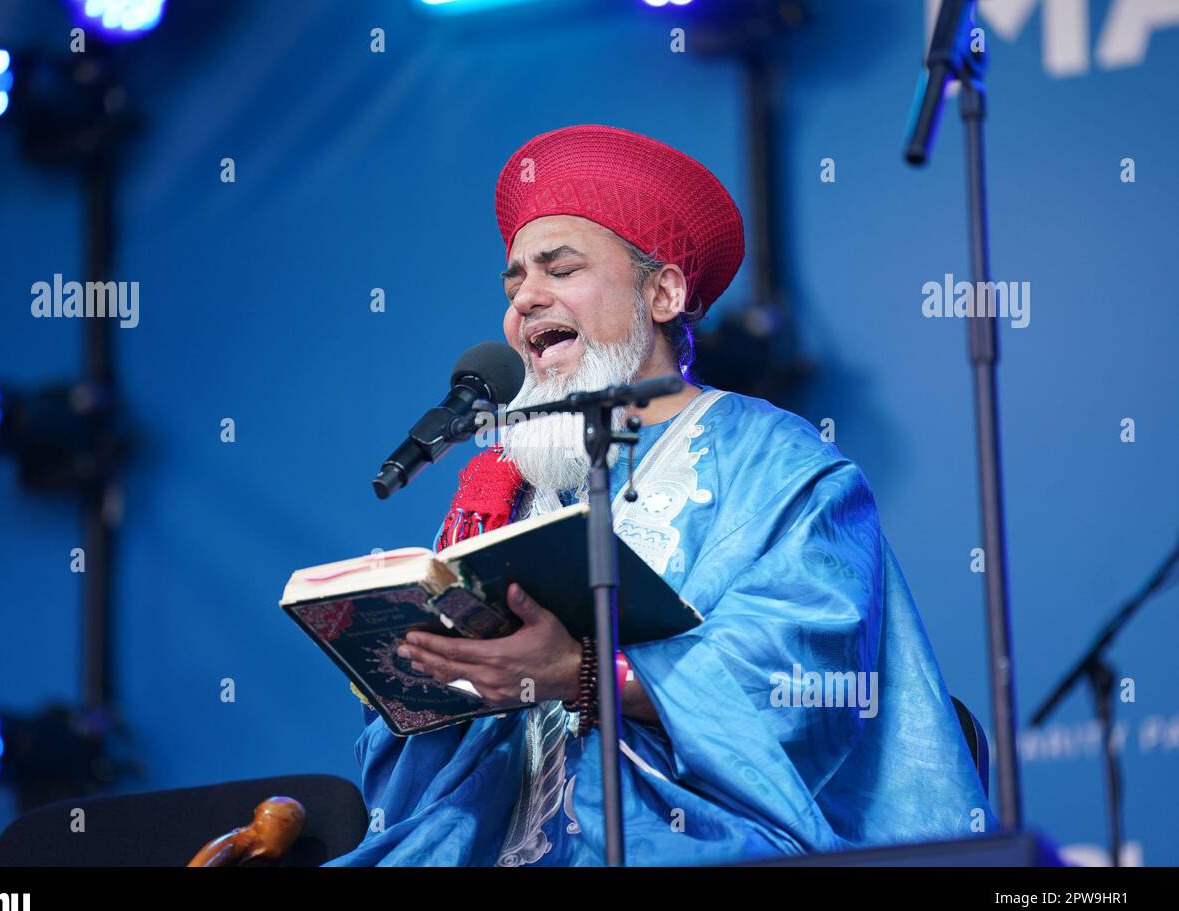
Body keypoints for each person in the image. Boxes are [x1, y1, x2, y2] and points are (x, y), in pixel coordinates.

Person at [326, 124, 994, 866]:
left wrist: (583, 675)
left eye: (560, 269)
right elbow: (417, 771)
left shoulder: (781, 464)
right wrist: (423, 673)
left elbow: (802, 680)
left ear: (665, 291)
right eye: (514, 283)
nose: (525, 302)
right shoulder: (500, 493)